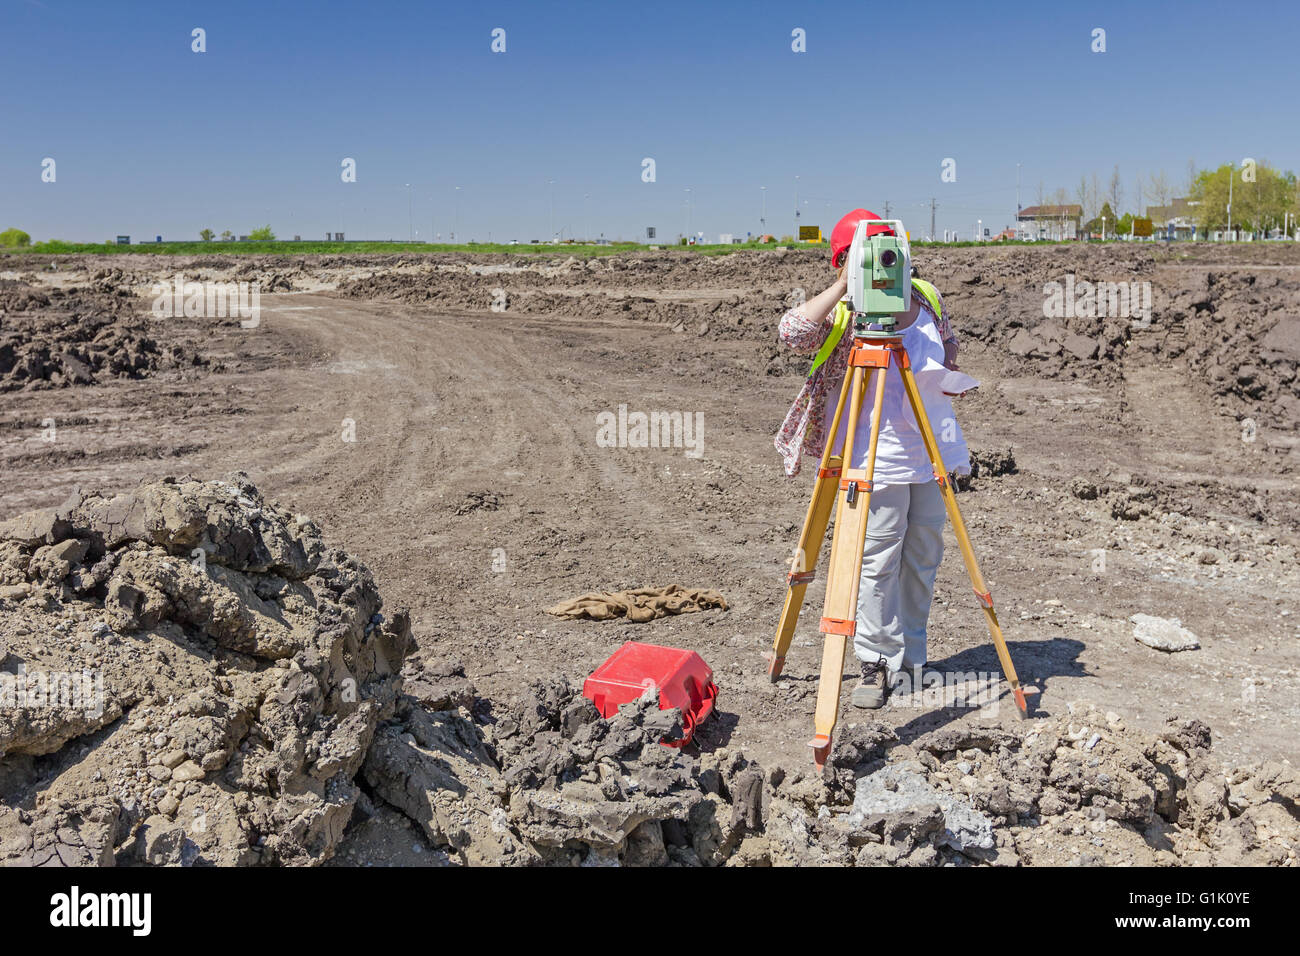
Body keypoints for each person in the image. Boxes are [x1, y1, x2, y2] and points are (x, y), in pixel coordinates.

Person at [774, 209, 975, 709]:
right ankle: (876, 661)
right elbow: (792, 334)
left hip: (928, 448)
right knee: (879, 557)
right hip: (875, 453)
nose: (880, 270)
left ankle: (913, 658)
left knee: (924, 553)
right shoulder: (846, 310)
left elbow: (948, 345)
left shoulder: (926, 296)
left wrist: (947, 371)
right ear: (844, 260)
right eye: (866, 259)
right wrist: (845, 285)